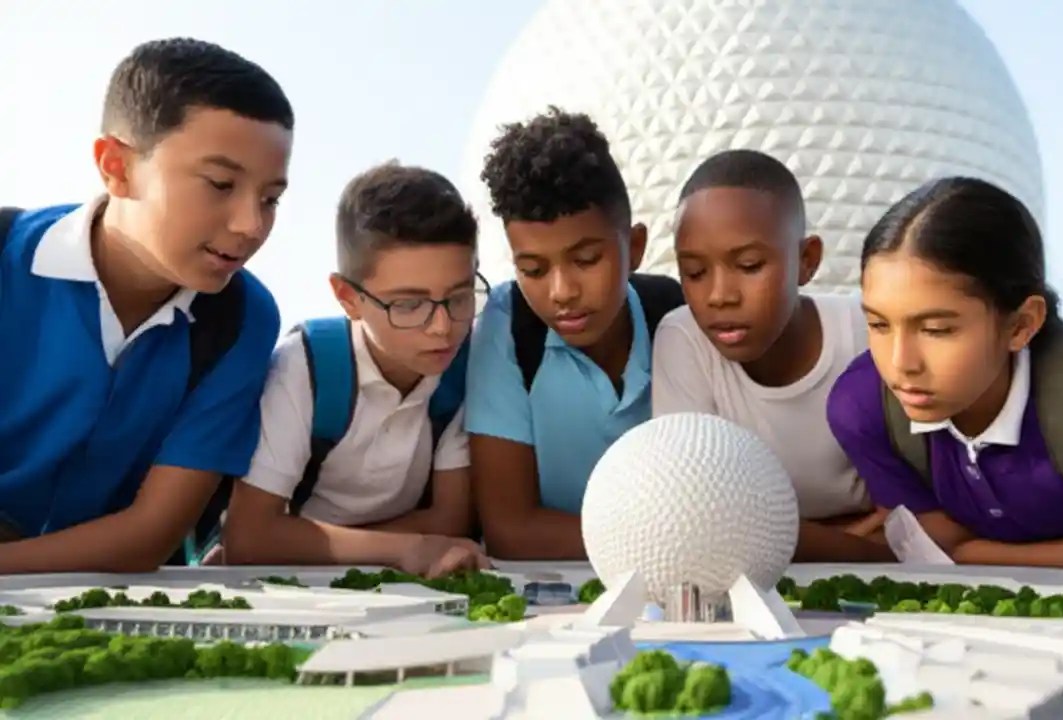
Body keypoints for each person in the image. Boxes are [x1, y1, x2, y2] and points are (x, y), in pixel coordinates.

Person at [0, 38, 290, 573]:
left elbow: (148, 536)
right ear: (116, 167)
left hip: (81, 616)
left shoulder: (243, 318)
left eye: (271, 198)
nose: (252, 225)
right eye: (221, 184)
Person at [827, 176, 1063, 570]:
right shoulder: (860, 406)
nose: (900, 363)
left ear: (1021, 325)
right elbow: (927, 530)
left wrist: (974, 555)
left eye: (936, 330)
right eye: (879, 325)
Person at [220, 162, 489, 577]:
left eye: (459, 297)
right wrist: (406, 548)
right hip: (293, 587)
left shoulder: (462, 367)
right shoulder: (305, 366)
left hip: (375, 580)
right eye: (407, 305)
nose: (442, 327)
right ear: (347, 297)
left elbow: (450, 521)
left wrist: (300, 542)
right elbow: (249, 538)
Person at [651, 149, 892, 562]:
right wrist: (862, 542)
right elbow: (699, 521)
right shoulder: (683, 338)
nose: (719, 295)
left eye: (748, 265)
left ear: (807, 260)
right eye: (694, 272)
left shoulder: (868, 332)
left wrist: (759, 532)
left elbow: (922, 517)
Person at [466, 107, 685, 560]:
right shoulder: (508, 327)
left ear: (636, 246)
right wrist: (673, 541)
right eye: (533, 269)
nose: (561, 292)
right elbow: (512, 530)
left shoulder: (676, 319)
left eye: (586, 260)